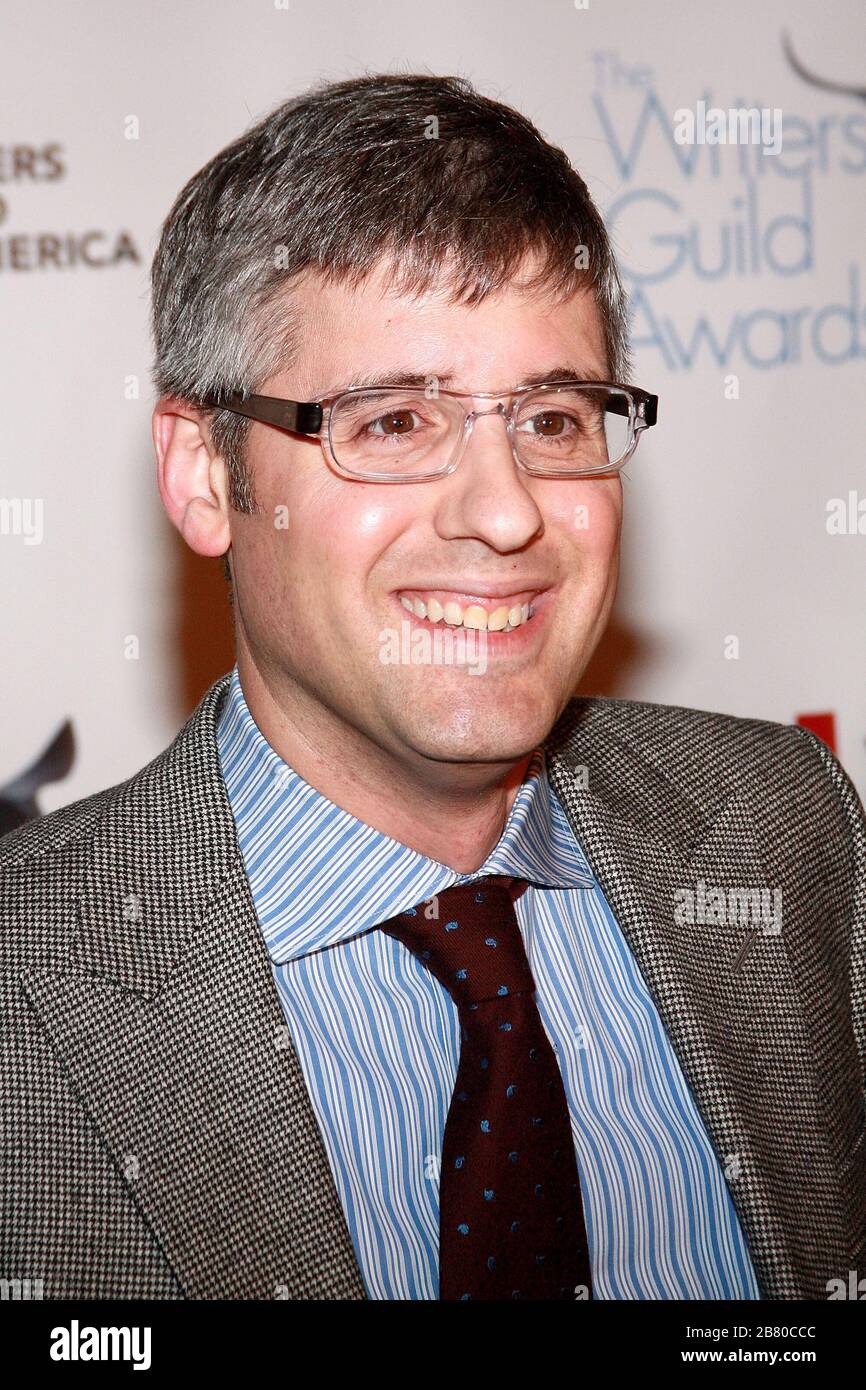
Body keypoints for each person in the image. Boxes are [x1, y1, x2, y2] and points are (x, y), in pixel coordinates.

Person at [1, 72, 863, 1302]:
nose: (507, 511)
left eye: (554, 418)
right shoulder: (19, 981)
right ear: (204, 473)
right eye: (394, 422)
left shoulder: (787, 827)